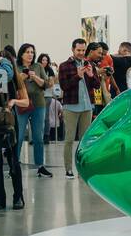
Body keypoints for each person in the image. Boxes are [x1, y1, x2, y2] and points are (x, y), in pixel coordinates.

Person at [56, 40, 107, 178]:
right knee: (69, 139)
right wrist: (77, 76)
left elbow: (96, 86)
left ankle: (83, 167)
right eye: (78, 50)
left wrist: (91, 75)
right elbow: (64, 86)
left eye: (83, 50)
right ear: (73, 49)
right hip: (71, 106)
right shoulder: (64, 66)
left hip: (87, 106)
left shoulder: (89, 65)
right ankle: (68, 169)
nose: (81, 53)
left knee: (85, 140)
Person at [0, 47, 29, 210]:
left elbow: (26, 101)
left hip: (10, 121)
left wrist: (13, 102)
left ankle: (18, 196)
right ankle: (0, 198)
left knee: (13, 160)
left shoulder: (15, 79)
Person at [14, 43, 51, 178]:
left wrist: (35, 77)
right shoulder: (16, 67)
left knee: (38, 136)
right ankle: (14, 165)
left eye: (32, 52)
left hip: (38, 104)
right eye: (27, 52)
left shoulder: (38, 66)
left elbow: (46, 84)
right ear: (21, 54)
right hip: (22, 104)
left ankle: (40, 166)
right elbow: (12, 85)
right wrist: (21, 78)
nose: (30, 54)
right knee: (18, 135)